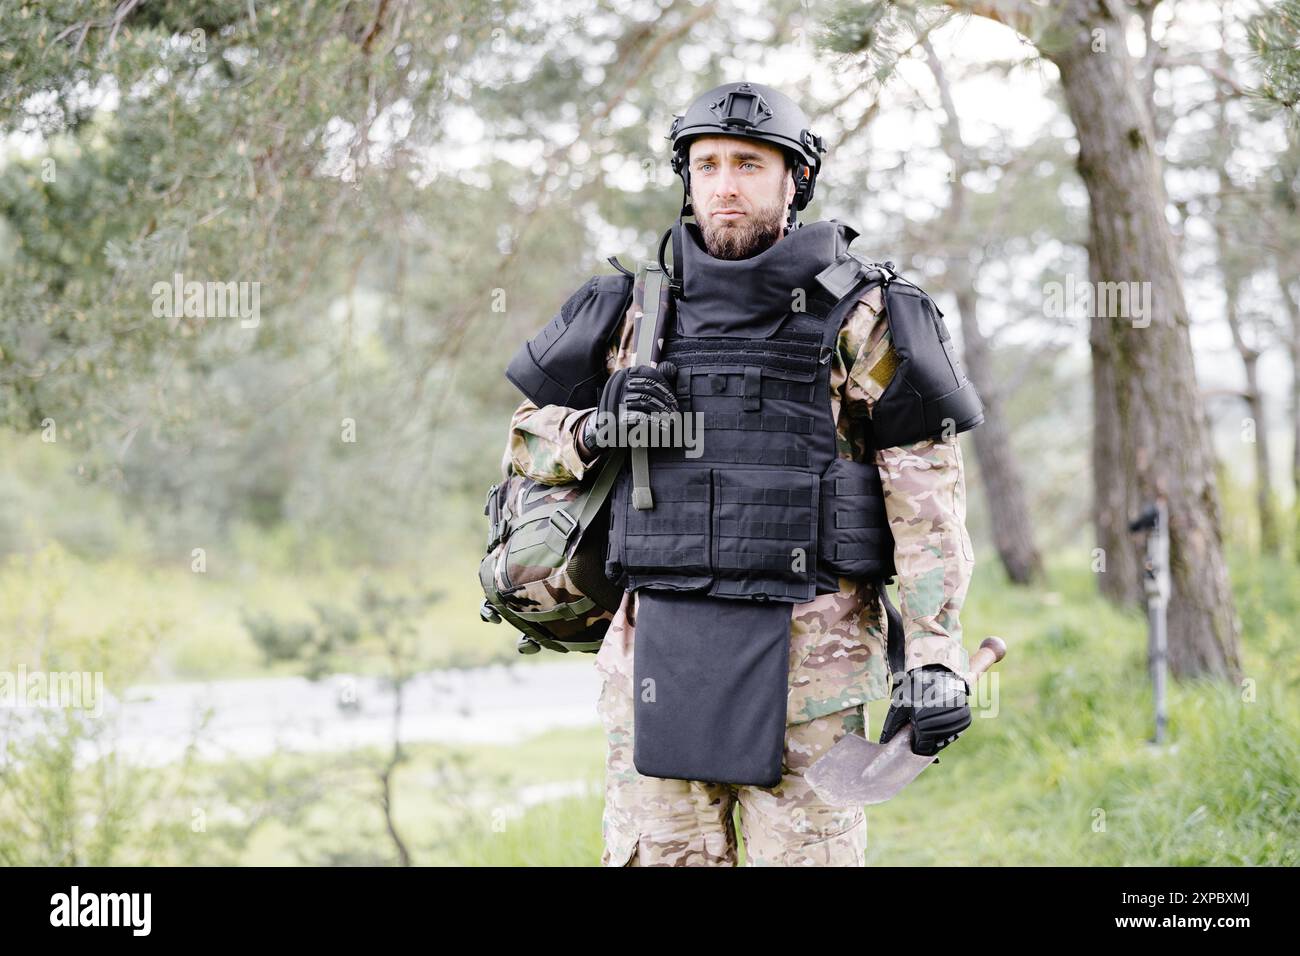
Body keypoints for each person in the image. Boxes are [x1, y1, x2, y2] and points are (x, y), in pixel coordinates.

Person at [502, 82, 979, 866]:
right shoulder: (628, 313)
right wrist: (597, 428)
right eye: (708, 163)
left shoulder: (864, 315)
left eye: (750, 165)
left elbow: (926, 502)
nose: (725, 184)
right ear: (686, 177)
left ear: (795, 180)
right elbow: (524, 446)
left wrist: (934, 657)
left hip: (811, 687)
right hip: (657, 672)